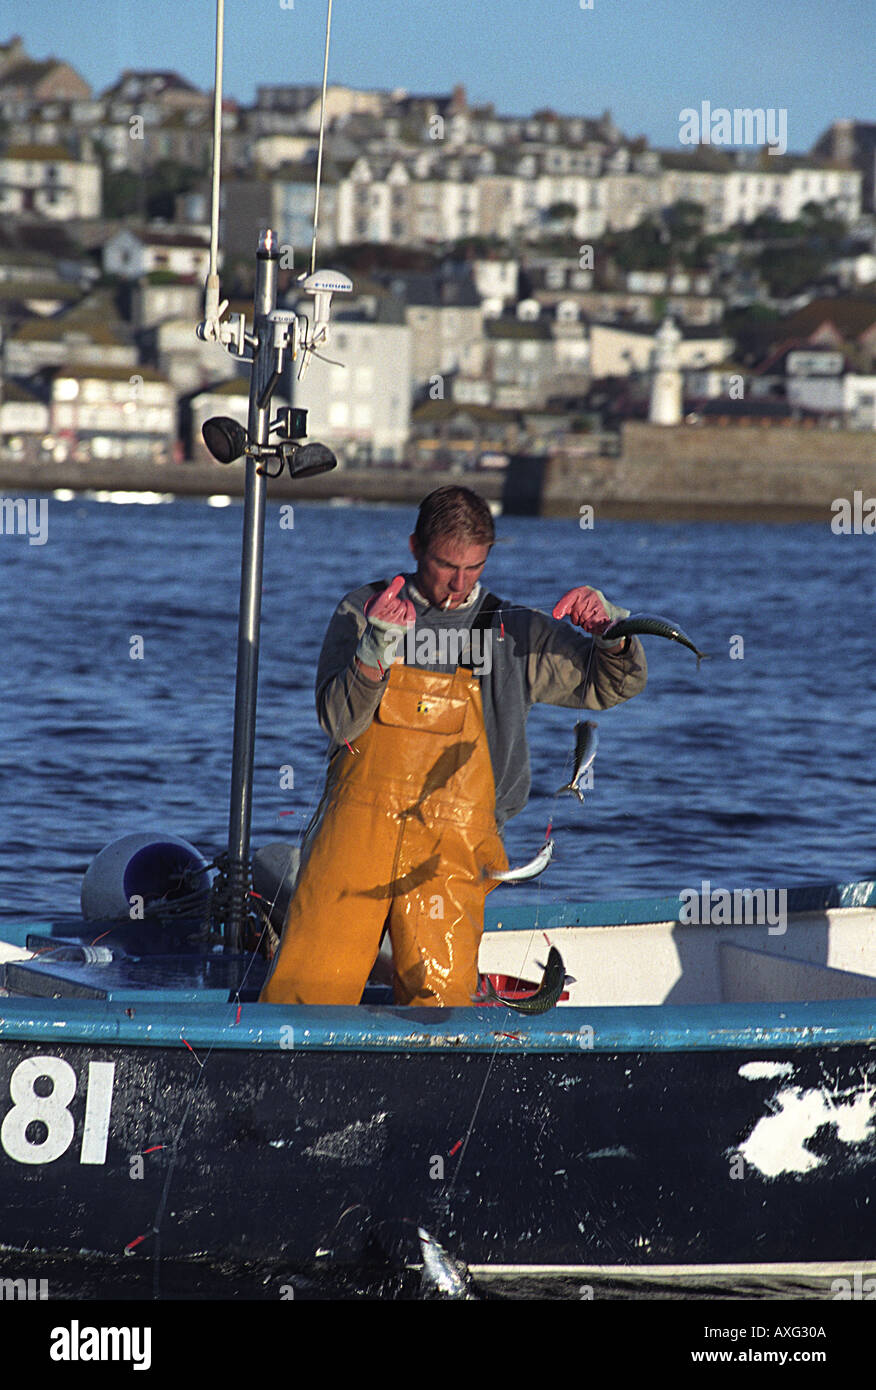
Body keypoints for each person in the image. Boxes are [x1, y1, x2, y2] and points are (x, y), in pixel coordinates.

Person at [260, 486, 647, 1008]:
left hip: (453, 851)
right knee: (304, 993)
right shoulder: (363, 611)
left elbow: (610, 685)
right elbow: (338, 722)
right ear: (416, 547)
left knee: (441, 1007)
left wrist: (613, 631)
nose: (459, 583)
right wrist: (374, 651)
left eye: (474, 568)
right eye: (446, 566)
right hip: (355, 836)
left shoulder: (513, 632)